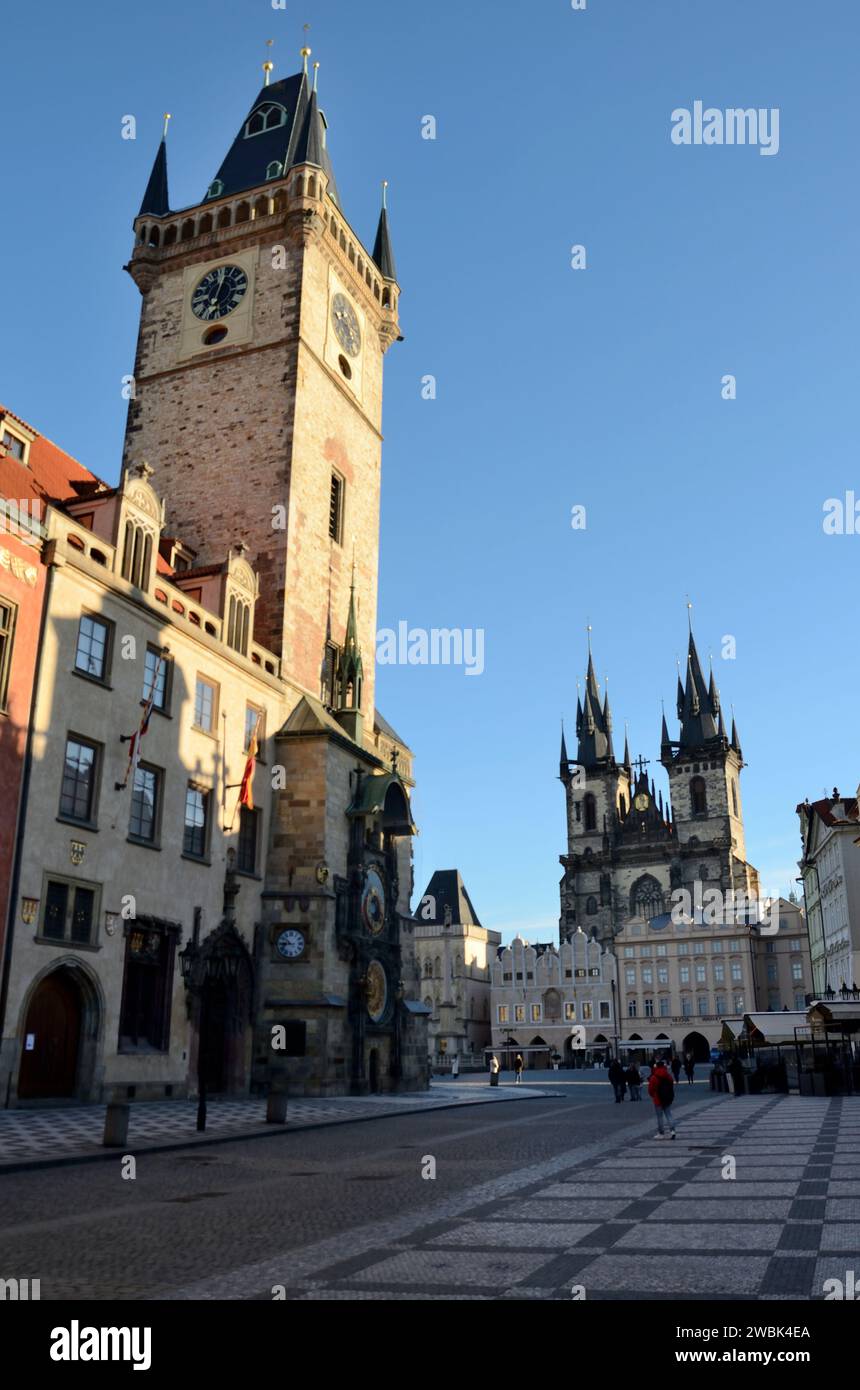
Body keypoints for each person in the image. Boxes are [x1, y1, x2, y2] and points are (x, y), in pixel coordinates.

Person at [648, 1056, 676, 1138]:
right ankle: (673, 1131)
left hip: (658, 1099)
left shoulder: (654, 1077)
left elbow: (650, 1089)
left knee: (660, 1117)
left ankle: (661, 1133)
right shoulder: (668, 1075)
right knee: (669, 1115)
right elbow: (671, 1084)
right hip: (667, 1098)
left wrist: (653, 1095)